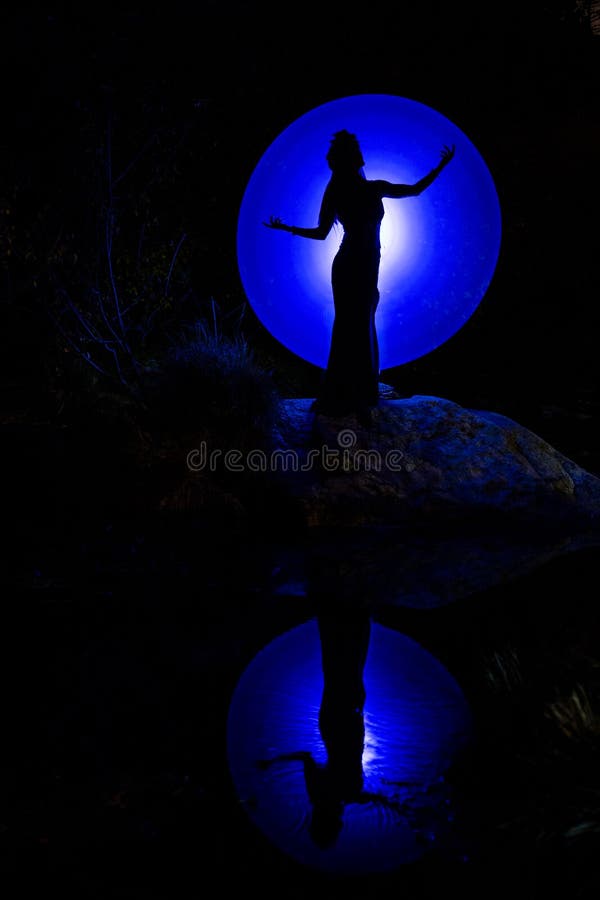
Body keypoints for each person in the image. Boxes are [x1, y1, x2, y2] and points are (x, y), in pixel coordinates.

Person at [264, 130, 455, 422]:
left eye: (333, 156)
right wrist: (286, 228)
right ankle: (350, 392)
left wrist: (442, 166)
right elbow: (321, 233)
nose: (330, 160)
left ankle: (359, 389)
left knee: (360, 321)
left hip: (363, 264)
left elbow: (414, 190)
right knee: (352, 323)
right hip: (351, 264)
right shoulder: (349, 190)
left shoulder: (362, 188)